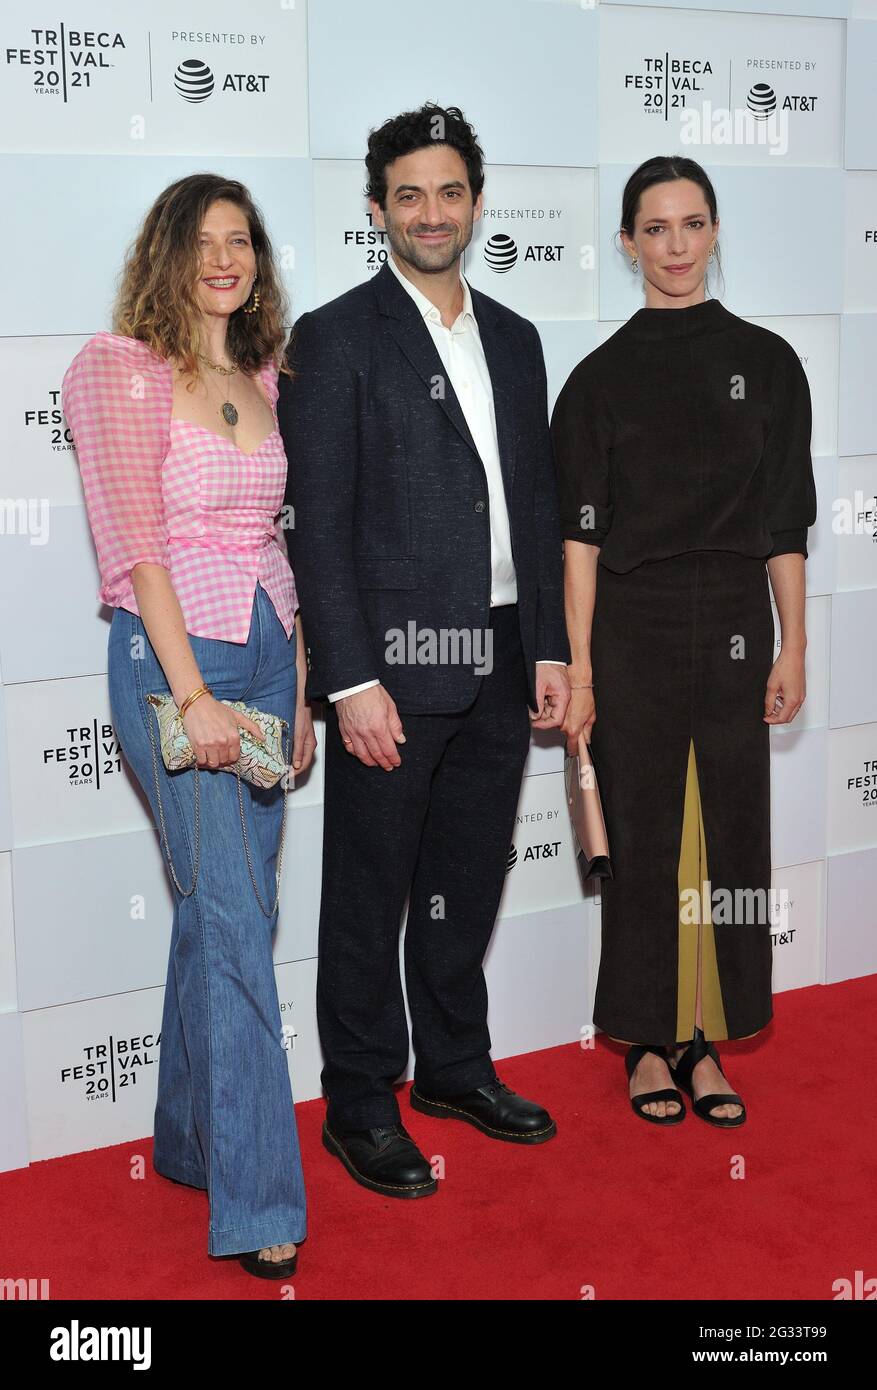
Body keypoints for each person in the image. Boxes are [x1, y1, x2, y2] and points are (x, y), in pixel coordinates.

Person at [277, 103, 571, 1197]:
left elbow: (533, 506)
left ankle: (452, 1067)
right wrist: (350, 677)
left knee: (463, 880)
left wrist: (549, 646)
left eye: (450, 191)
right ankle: (360, 1101)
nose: (432, 212)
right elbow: (320, 517)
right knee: (368, 890)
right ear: (376, 211)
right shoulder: (338, 335)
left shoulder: (516, 336)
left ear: (477, 203)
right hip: (393, 665)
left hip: (502, 653)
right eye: (409, 194)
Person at [61, 174, 316, 1274]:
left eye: (241, 241)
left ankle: (189, 1140)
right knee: (231, 926)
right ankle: (262, 1206)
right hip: (176, 658)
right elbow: (136, 549)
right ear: (167, 254)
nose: (226, 259)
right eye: (204, 241)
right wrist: (195, 697)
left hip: (262, 652)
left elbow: (274, 544)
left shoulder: (261, 372)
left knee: (226, 916)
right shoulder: (118, 370)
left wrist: (295, 690)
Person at [551, 155, 817, 1128]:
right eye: (653, 228)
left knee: (729, 839)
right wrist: (577, 669)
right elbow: (577, 542)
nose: (673, 245)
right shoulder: (597, 380)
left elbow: (783, 523)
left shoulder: (771, 364)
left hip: (739, 628)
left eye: (691, 223)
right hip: (632, 630)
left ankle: (706, 1037)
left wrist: (793, 644)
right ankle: (649, 1041)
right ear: (626, 243)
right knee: (650, 837)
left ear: (713, 232)